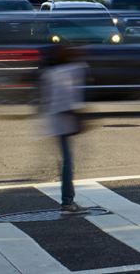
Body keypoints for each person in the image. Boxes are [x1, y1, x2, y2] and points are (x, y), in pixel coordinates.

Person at [41, 43, 88, 212]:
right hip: (62, 123)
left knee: (66, 160)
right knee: (67, 162)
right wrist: (79, 118)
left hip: (55, 122)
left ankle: (68, 200)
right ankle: (67, 202)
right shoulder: (68, 72)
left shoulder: (52, 73)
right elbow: (66, 101)